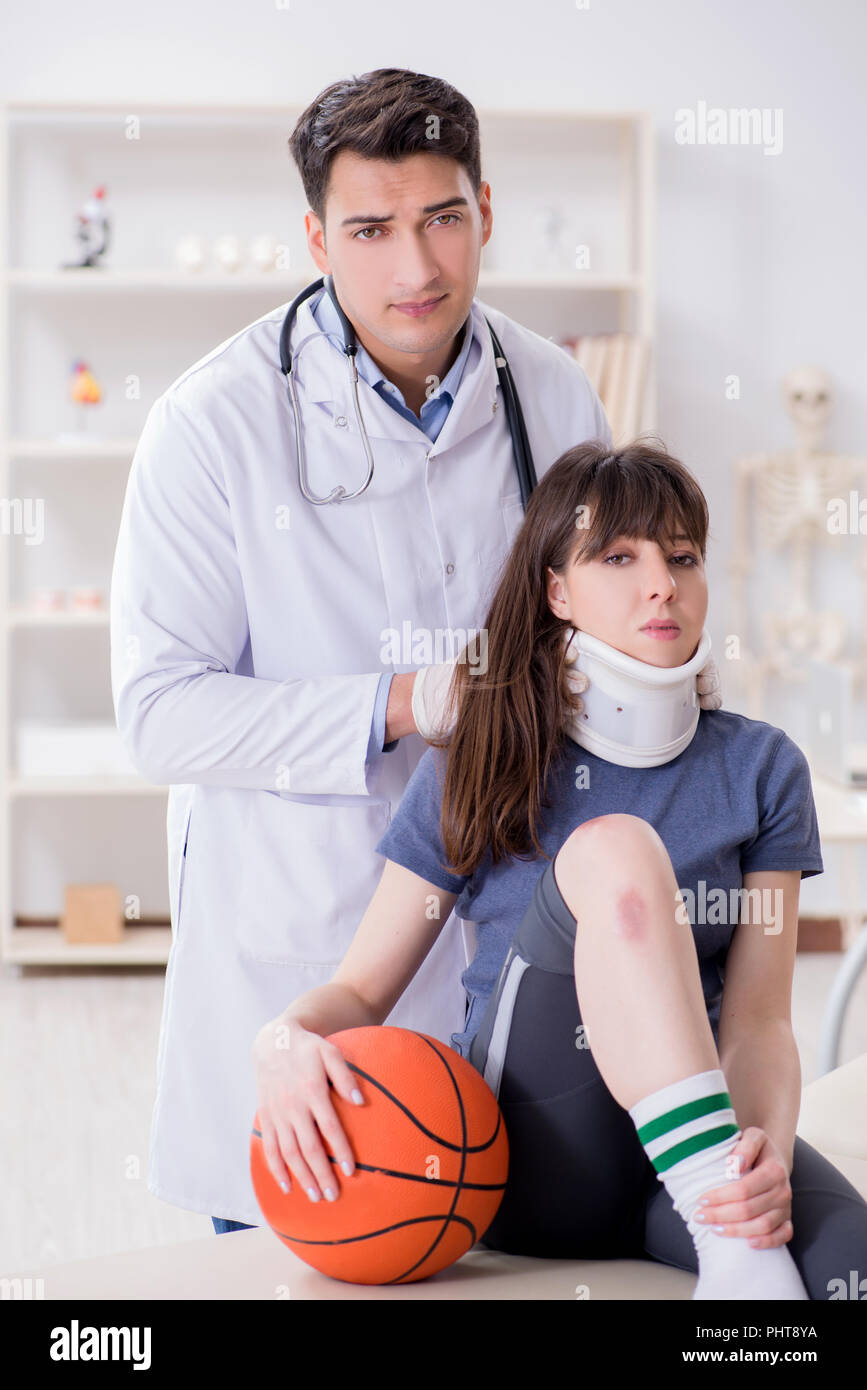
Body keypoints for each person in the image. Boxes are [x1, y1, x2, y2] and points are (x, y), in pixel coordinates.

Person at [110, 67, 631, 1232]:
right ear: (315, 236)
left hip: (513, 950)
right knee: (314, 1257)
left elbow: (599, 633)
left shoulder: (554, 397)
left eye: (444, 218)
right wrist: (401, 700)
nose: (418, 269)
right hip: (304, 949)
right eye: (371, 229)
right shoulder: (212, 424)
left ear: (486, 210)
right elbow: (161, 712)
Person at [251, 440, 867, 1298]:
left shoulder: (763, 768)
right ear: (556, 591)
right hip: (533, 1148)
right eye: (619, 557)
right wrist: (282, 1040)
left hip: (682, 1153)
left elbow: (760, 1020)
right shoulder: (484, 755)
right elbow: (359, 995)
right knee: (614, 850)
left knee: (853, 1271)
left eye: (681, 558)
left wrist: (759, 1150)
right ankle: (721, 1214)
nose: (662, 584)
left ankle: (722, 1211)